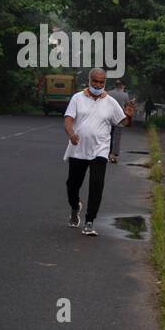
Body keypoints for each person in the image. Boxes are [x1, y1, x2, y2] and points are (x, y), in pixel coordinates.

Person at [64, 69, 135, 236]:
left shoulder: (110, 102)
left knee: (97, 185)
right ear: (89, 80)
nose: (98, 85)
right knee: (72, 185)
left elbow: (124, 122)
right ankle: (75, 207)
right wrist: (71, 134)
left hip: (100, 150)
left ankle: (89, 221)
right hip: (78, 149)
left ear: (105, 83)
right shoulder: (77, 98)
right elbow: (68, 119)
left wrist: (129, 116)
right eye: (95, 81)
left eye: (101, 82)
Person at [107, 78, 130, 163]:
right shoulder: (125, 95)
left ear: (115, 85)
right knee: (117, 138)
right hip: (120, 119)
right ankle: (114, 155)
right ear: (122, 86)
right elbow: (127, 106)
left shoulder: (109, 93)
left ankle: (107, 153)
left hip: (109, 118)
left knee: (108, 137)